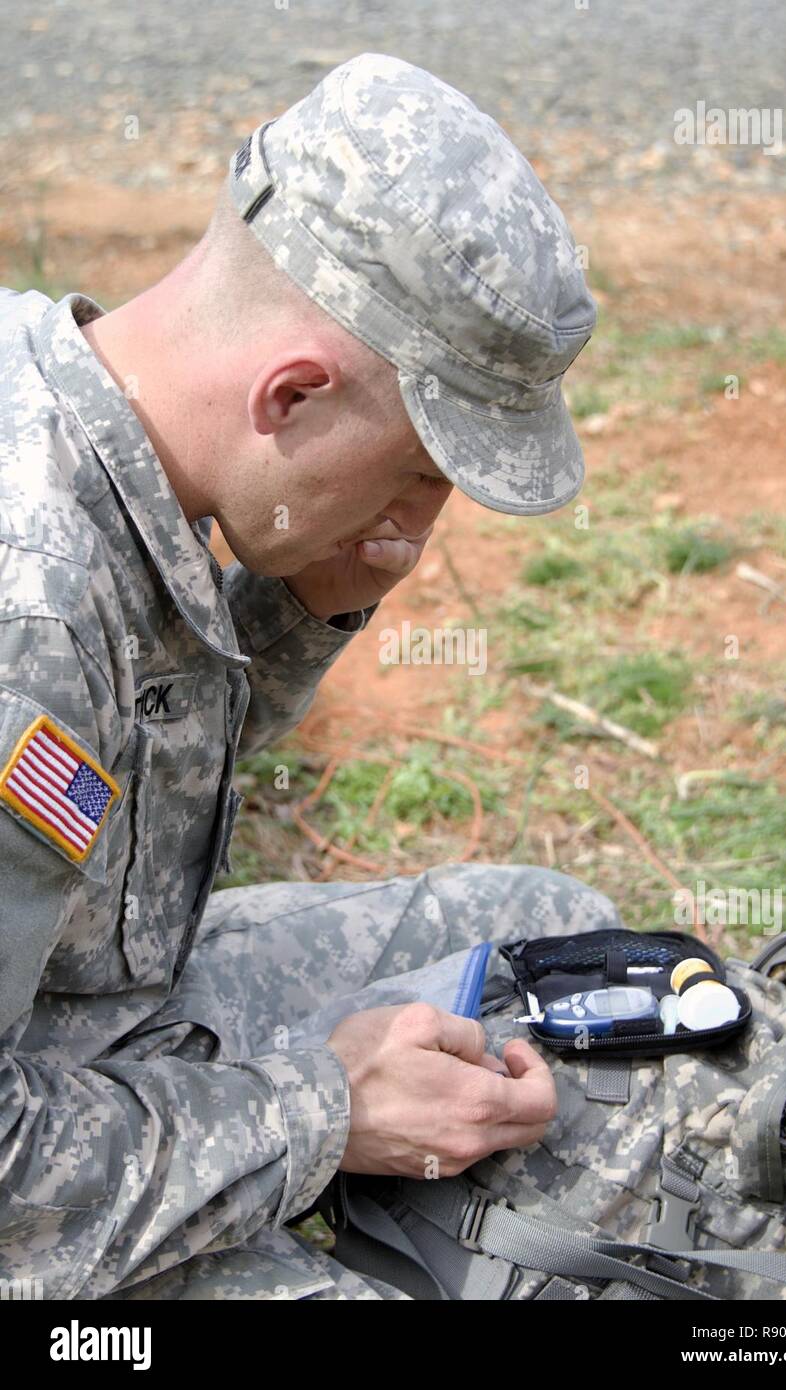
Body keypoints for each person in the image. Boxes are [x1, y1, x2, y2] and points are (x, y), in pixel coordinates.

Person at [0, 52, 618, 1300]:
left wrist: (298, 604)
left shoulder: (80, 394)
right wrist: (321, 1112)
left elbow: (124, 782)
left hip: (80, 1022)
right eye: (415, 476)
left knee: (564, 946)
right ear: (289, 394)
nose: (414, 527)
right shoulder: (30, 617)